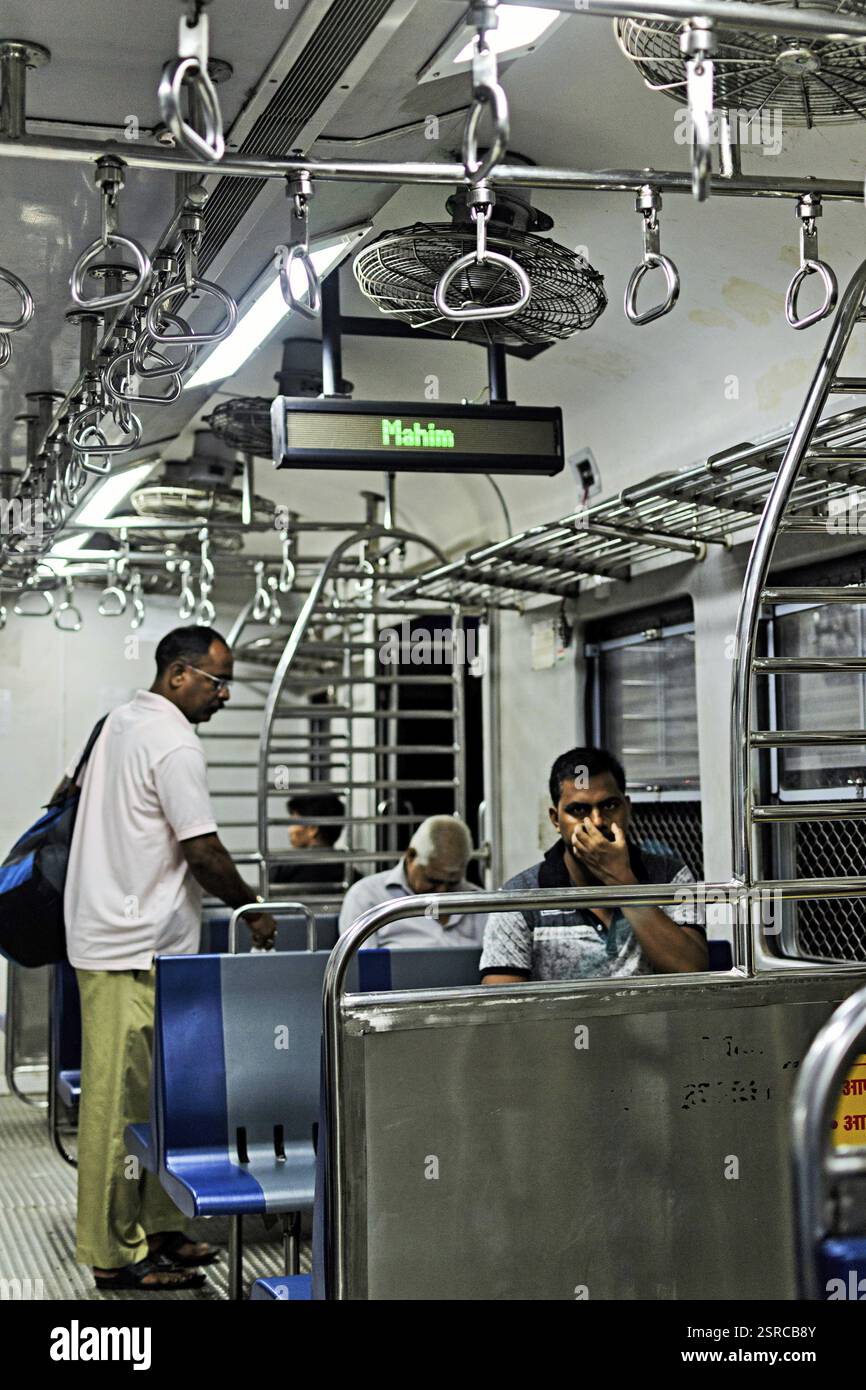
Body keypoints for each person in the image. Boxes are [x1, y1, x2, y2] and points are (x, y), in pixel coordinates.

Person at [57, 625, 278, 1292]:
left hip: (120, 939)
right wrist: (254, 909)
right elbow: (202, 850)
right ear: (179, 676)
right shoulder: (174, 741)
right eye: (217, 681)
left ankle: (157, 1226)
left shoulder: (118, 723)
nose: (225, 695)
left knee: (150, 1103)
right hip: (131, 947)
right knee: (116, 1108)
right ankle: (113, 1252)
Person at [480, 746, 708, 984]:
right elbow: (502, 1007)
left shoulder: (670, 877)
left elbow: (691, 970)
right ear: (556, 820)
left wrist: (622, 880)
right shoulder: (518, 897)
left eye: (610, 806)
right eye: (579, 810)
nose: (597, 821)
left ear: (627, 808)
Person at [338, 815, 486, 948]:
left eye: (453, 883)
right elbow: (361, 969)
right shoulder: (366, 897)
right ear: (410, 856)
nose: (442, 891)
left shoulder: (480, 902)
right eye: (432, 880)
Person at [271, 792, 351, 889]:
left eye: (293, 822)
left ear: (312, 829)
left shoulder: (282, 870)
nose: (289, 830)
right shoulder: (349, 874)